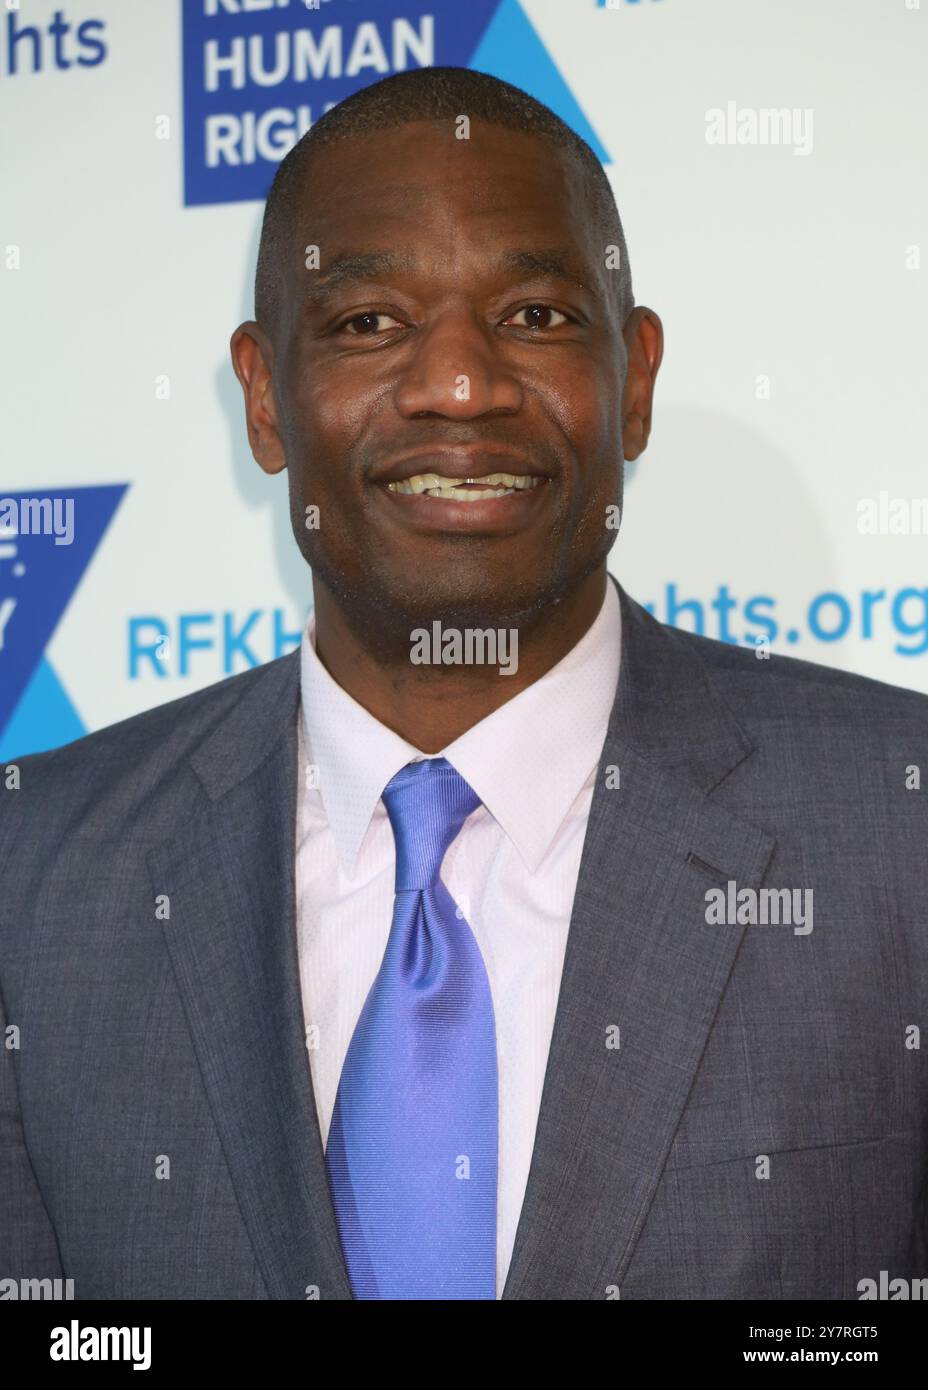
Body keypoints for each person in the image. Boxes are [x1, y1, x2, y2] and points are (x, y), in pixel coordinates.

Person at [1, 66, 926, 1302]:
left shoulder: (893, 822)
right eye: (367, 322)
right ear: (265, 397)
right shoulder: (37, 872)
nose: (459, 384)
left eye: (536, 316)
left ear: (635, 379)